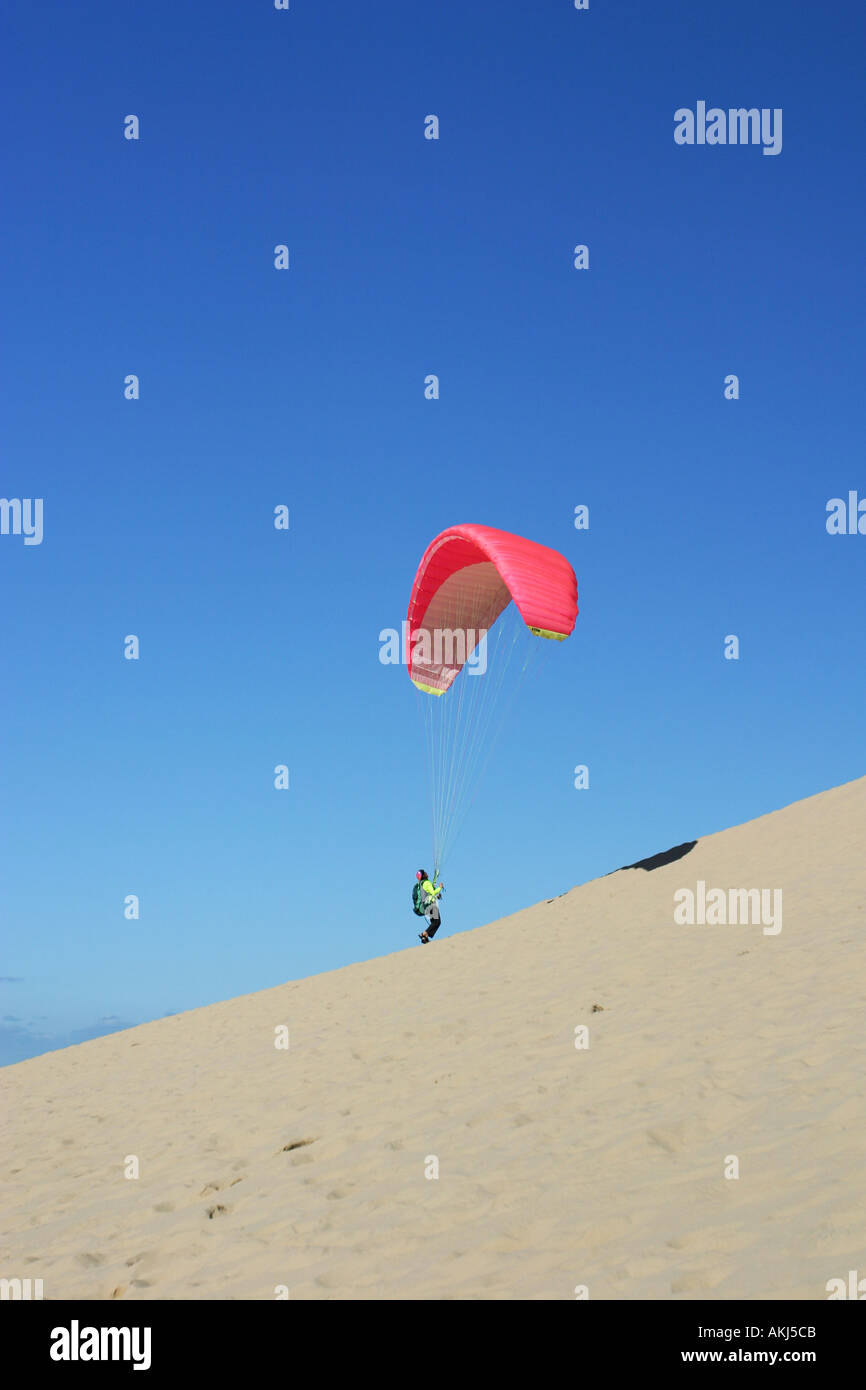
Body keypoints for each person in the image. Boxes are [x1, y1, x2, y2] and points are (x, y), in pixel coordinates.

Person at [414, 869, 443, 942]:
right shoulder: (426, 883)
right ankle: (424, 933)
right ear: (423, 875)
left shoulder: (422, 884)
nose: (427, 873)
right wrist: (440, 887)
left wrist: (437, 897)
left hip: (426, 907)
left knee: (435, 922)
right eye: (425, 873)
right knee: (437, 922)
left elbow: (428, 895)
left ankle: (425, 937)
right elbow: (433, 892)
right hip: (430, 906)